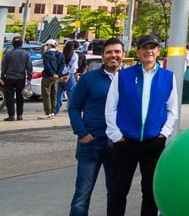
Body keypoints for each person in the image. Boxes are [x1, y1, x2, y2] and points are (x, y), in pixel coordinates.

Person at [105, 34, 178, 216]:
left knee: (150, 192)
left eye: (153, 47)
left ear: (158, 51)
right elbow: (110, 108)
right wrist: (116, 135)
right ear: (137, 51)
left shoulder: (168, 77)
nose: (149, 51)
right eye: (145, 48)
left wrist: (164, 132)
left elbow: (172, 109)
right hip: (125, 142)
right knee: (118, 191)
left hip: (153, 142)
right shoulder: (123, 76)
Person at [68, 37, 123, 216]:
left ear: (123, 54)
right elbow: (74, 107)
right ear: (103, 55)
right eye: (109, 52)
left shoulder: (128, 79)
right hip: (91, 143)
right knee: (82, 195)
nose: (113, 55)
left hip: (118, 145)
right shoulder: (89, 79)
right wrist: (81, 132)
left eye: (117, 52)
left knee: (115, 194)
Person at [0, 37, 33, 121]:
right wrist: (29, 77)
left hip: (9, 78)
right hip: (21, 78)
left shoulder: (8, 54)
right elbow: (29, 66)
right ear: (22, 44)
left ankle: (11, 115)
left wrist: (2, 77)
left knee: (9, 97)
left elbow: (3, 67)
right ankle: (19, 115)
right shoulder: (26, 54)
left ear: (12, 44)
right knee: (20, 97)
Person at [41, 39, 66, 119]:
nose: (46, 47)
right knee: (54, 94)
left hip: (48, 76)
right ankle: (53, 112)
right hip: (56, 78)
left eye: (46, 45)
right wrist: (58, 74)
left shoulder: (46, 55)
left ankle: (48, 112)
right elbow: (62, 65)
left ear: (49, 45)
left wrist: (52, 74)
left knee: (46, 94)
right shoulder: (60, 55)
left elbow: (47, 66)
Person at [57, 40, 80, 116]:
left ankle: (55, 110)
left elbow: (58, 66)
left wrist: (59, 76)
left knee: (59, 93)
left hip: (60, 75)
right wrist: (68, 76)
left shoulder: (61, 54)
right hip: (69, 76)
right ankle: (72, 110)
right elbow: (74, 67)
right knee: (71, 94)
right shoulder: (75, 55)